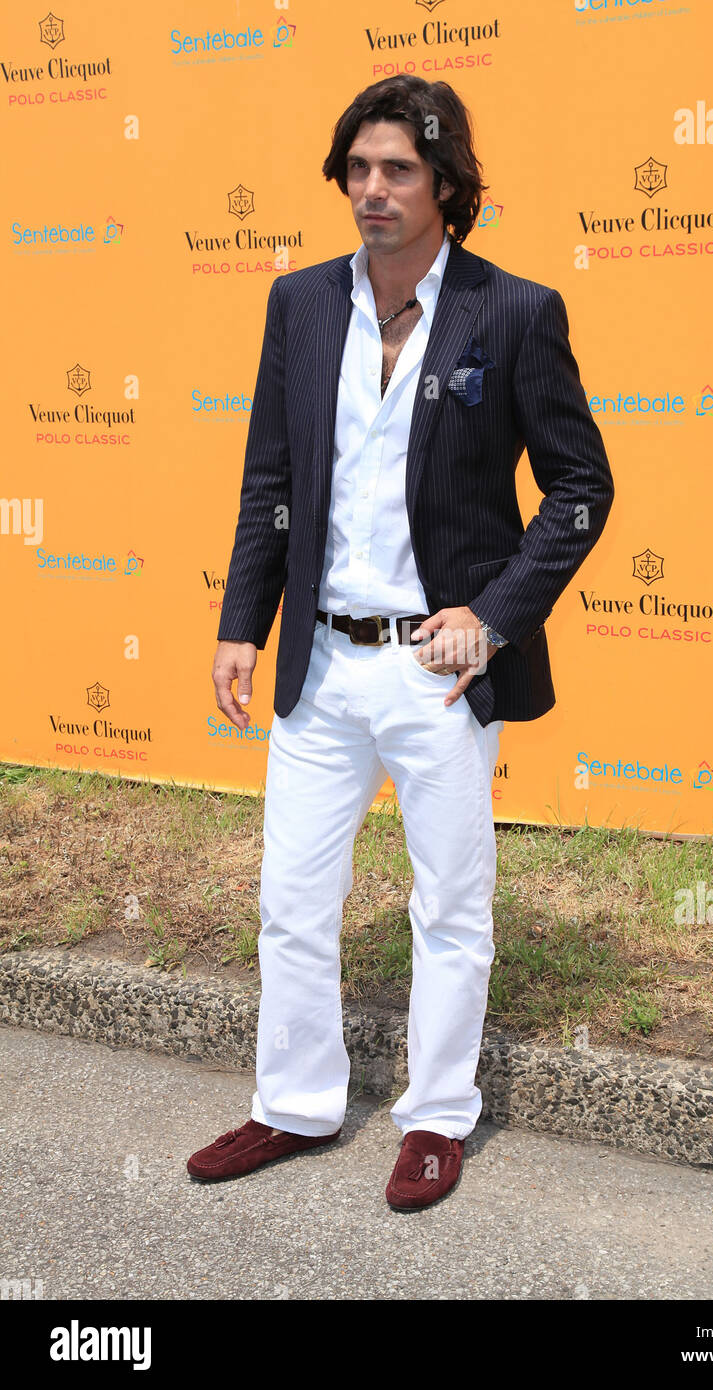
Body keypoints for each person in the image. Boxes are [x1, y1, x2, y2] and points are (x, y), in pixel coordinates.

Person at [187, 75, 614, 1210]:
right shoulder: (300, 304)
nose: (371, 191)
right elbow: (268, 476)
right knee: (290, 893)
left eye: (398, 171)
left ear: (445, 187)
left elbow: (579, 487)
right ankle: (293, 1102)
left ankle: (435, 1117)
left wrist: (491, 616)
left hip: (436, 672)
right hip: (321, 664)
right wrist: (243, 623)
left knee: (449, 903)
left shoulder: (510, 312)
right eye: (357, 169)